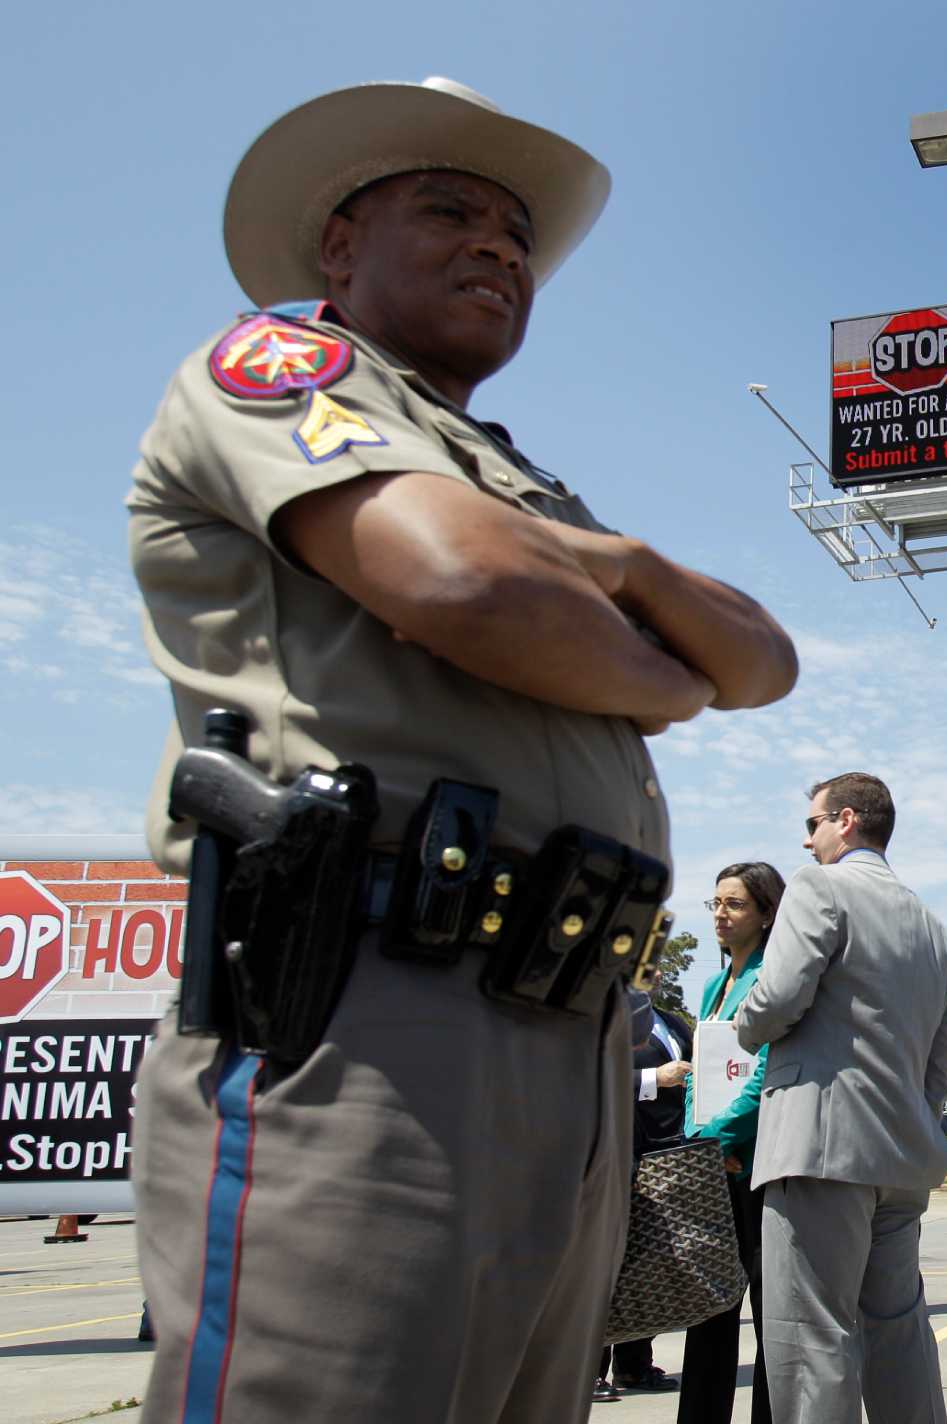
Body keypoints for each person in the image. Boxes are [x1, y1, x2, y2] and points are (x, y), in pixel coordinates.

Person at [125, 76, 798, 1423]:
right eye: (451, 211)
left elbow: (760, 662)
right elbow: (461, 584)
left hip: (567, 1024)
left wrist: (613, 561)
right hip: (367, 1009)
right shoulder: (272, 369)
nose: (501, 246)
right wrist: (638, 647)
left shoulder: (519, 480)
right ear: (339, 248)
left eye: (517, 236)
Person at [734, 774, 947, 1424]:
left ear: (847, 821)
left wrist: (742, 1024)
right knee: (899, 1332)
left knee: (812, 1341)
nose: (806, 841)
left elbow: (775, 1001)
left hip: (820, 1150)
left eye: (813, 824)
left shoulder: (820, 888)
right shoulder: (933, 927)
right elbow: (938, 1063)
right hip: (901, 1158)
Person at [677, 862, 786, 1424]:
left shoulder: (773, 978)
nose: (720, 914)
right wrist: (699, 1138)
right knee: (709, 1313)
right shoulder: (714, 986)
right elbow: (701, 1071)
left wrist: (720, 1138)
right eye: (715, 903)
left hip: (757, 1168)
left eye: (735, 904)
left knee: (770, 1315)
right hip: (711, 1168)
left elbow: (764, 1072)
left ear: (767, 914)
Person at [595, 989, 694, 1402]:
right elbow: (593, 1073)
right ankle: (590, 1371)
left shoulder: (673, 1023)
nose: (648, 972)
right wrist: (656, 1078)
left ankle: (635, 1366)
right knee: (608, 1268)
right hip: (621, 1157)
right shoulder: (601, 1017)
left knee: (652, 1267)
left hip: (669, 1159)